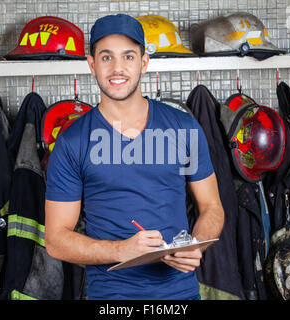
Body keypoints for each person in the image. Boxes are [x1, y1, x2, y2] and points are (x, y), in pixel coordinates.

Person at [44, 13, 224, 300]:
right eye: (106, 57)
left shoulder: (184, 128)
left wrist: (195, 245)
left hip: (181, 295)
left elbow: (212, 207)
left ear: (144, 62)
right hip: (112, 299)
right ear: (92, 65)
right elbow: (55, 240)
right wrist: (122, 250)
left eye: (128, 57)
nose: (118, 68)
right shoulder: (71, 142)